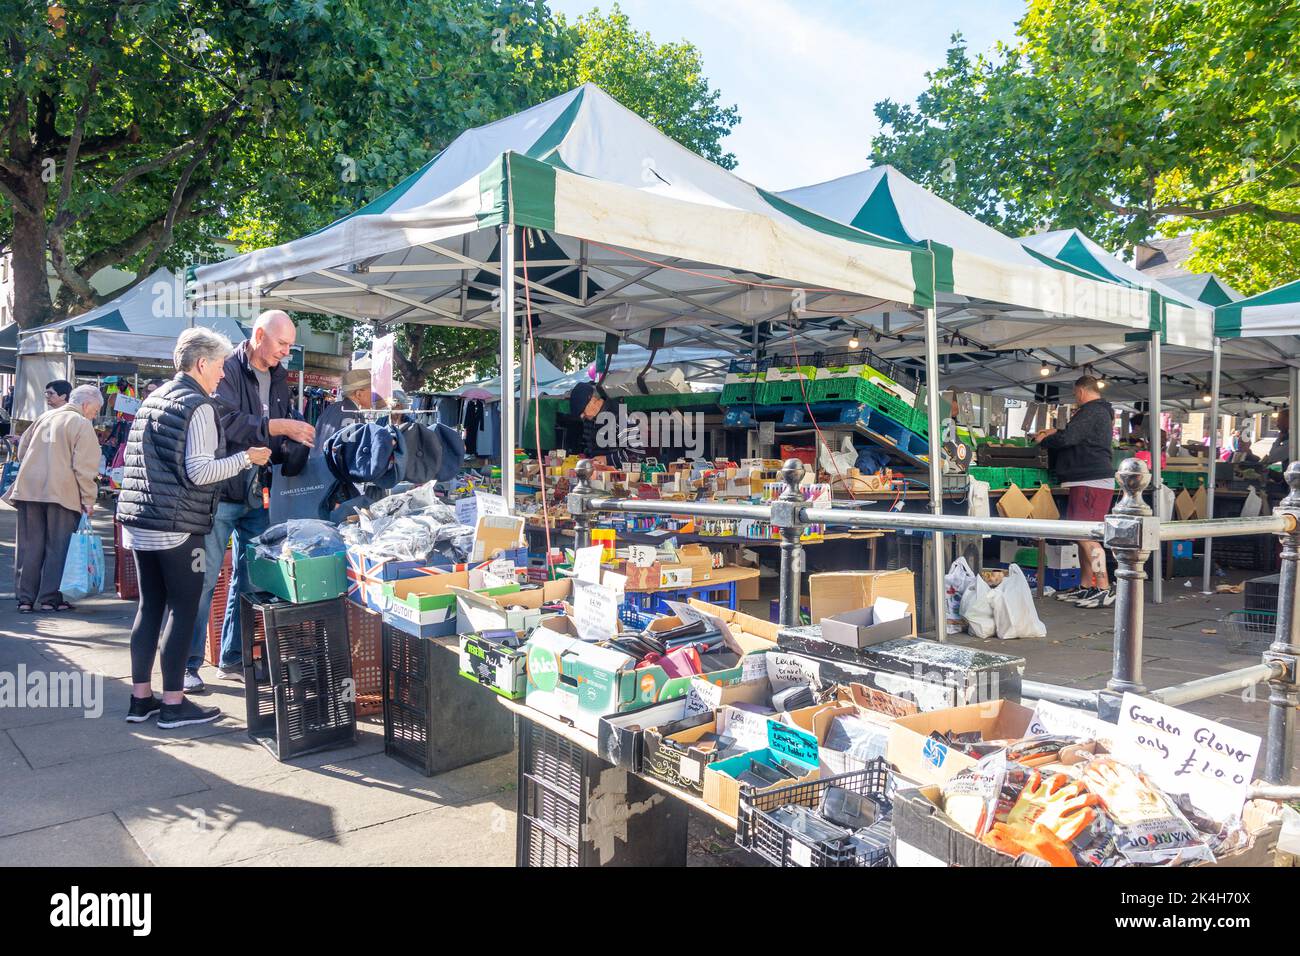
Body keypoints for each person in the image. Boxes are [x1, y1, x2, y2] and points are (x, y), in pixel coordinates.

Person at [116, 328, 271, 727]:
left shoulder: (154, 398)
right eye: (219, 366)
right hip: (178, 527)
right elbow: (200, 471)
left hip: (140, 522)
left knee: (149, 608)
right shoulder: (197, 406)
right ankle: (173, 703)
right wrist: (247, 458)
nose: (222, 375)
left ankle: (140, 699)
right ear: (202, 363)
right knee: (183, 610)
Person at [188, 310, 314, 689]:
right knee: (205, 579)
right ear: (259, 335)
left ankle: (233, 657)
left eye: (290, 346)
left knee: (251, 578)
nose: (286, 353)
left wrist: (291, 441)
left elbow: (270, 428)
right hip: (222, 490)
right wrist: (278, 427)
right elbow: (222, 421)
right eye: (282, 344)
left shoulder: (279, 377)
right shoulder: (224, 367)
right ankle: (188, 665)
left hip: (259, 491)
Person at [11, 384, 103, 613]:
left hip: (28, 489)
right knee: (58, 547)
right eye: (96, 409)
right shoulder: (81, 423)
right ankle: (50, 598)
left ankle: (25, 598)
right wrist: (88, 499)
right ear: (86, 404)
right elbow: (84, 467)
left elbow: (22, 451)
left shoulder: (45, 417)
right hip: (61, 491)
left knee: (30, 545)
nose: (95, 414)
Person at [1034, 375, 1116, 609]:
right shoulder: (1099, 412)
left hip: (1091, 481)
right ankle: (1086, 585)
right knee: (1083, 535)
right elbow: (1075, 435)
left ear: (1080, 391)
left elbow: (1070, 437)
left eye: (1074, 394)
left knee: (1087, 537)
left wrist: (1045, 440)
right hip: (1086, 480)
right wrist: (1054, 432)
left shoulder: (1092, 410)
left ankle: (1103, 586)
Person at [312, 368, 372, 451]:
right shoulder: (352, 414)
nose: (373, 396)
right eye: (371, 392)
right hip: (330, 463)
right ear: (359, 394)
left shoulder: (330, 408)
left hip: (317, 462)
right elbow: (349, 452)